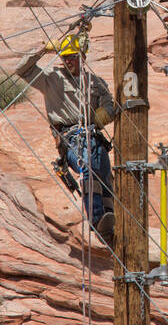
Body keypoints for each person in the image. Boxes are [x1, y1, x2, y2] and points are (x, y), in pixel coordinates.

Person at [12, 33, 118, 245]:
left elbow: (109, 104)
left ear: (82, 57)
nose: (68, 61)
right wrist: (43, 48)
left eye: (72, 57)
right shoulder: (51, 79)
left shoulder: (96, 82)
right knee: (89, 167)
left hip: (93, 134)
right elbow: (22, 69)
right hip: (70, 138)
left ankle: (108, 221)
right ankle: (97, 220)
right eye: (64, 57)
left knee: (104, 175)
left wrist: (103, 115)